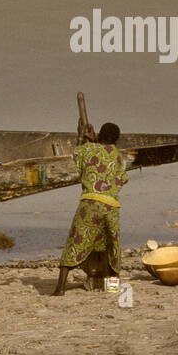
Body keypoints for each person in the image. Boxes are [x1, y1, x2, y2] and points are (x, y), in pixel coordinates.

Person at [52, 122, 127, 296]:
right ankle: (113, 287)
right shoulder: (118, 157)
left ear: (100, 135)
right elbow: (122, 178)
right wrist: (95, 141)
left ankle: (60, 288)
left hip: (90, 204)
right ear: (117, 140)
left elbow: (77, 156)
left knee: (76, 241)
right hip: (111, 206)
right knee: (112, 246)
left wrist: (81, 137)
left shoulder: (89, 149)